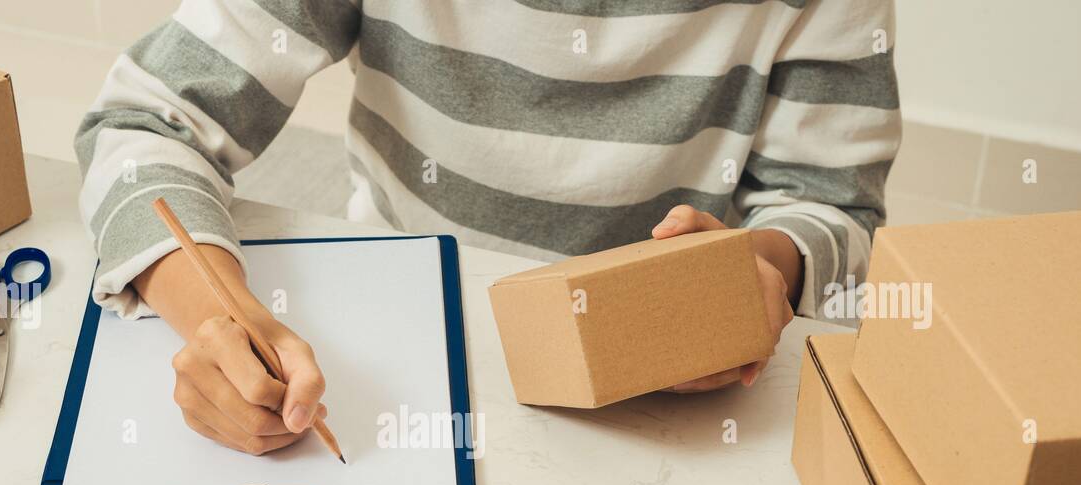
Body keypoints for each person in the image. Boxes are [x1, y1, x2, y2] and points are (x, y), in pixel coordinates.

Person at [77, 0, 900, 455]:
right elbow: (144, 124)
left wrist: (763, 272)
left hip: (665, 400)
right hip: (401, 334)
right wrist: (219, 315)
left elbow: (831, 206)